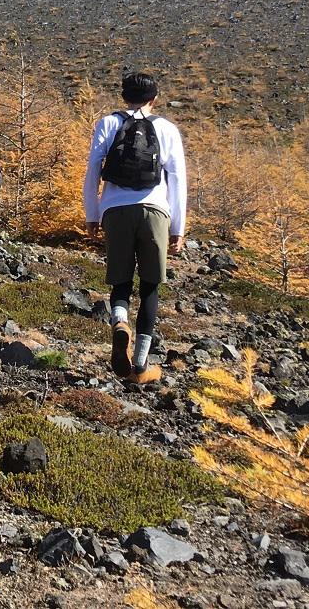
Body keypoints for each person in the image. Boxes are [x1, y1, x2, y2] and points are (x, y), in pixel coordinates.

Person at [82, 71, 187, 385]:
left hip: (114, 209)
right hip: (155, 210)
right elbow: (177, 180)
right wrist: (177, 227)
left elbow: (93, 170)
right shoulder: (166, 128)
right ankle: (139, 365)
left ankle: (119, 321)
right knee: (151, 284)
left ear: (123, 96)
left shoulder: (108, 123)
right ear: (154, 99)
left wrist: (93, 213)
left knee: (121, 279)